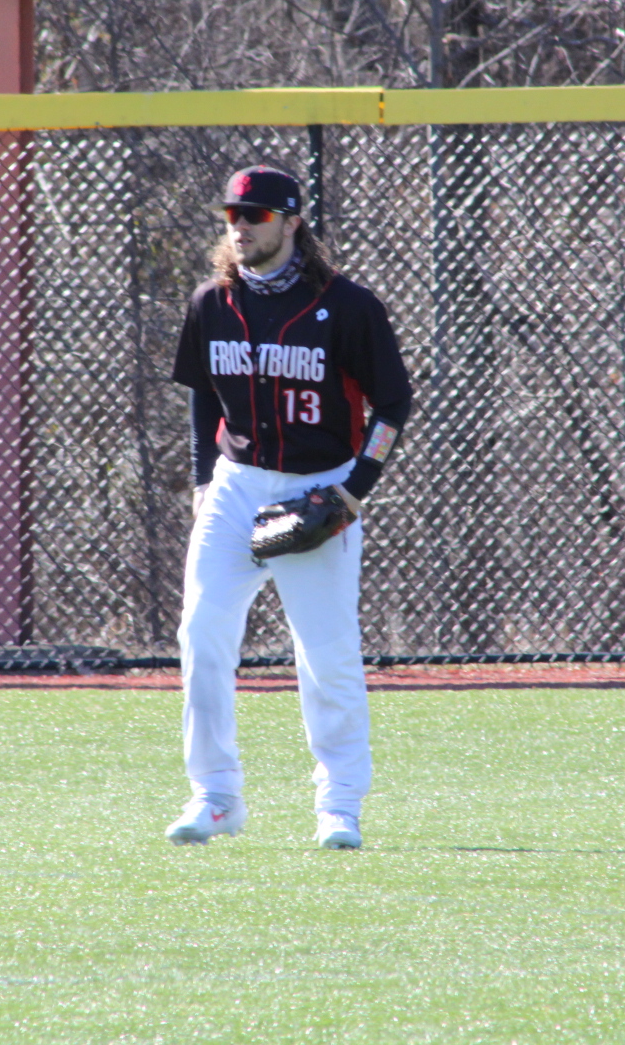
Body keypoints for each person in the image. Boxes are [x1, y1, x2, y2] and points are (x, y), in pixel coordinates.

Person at [165, 165, 413, 850]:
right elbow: (203, 397)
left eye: (257, 215)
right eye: (233, 215)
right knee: (202, 630)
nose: (241, 226)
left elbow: (393, 404)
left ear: (292, 221)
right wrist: (201, 484)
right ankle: (215, 797)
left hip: (319, 484)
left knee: (327, 652)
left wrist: (354, 488)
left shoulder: (348, 306)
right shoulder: (210, 302)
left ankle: (339, 805)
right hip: (236, 483)